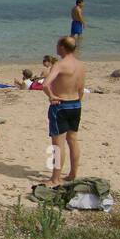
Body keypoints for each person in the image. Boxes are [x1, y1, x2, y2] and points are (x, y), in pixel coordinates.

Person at [42, 35, 86, 184]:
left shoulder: (60, 65)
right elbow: (81, 89)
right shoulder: (80, 65)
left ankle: (55, 177)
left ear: (62, 47)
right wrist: (77, 100)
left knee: (57, 144)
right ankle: (73, 173)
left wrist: (51, 96)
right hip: (75, 104)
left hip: (61, 105)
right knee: (73, 140)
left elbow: (45, 84)